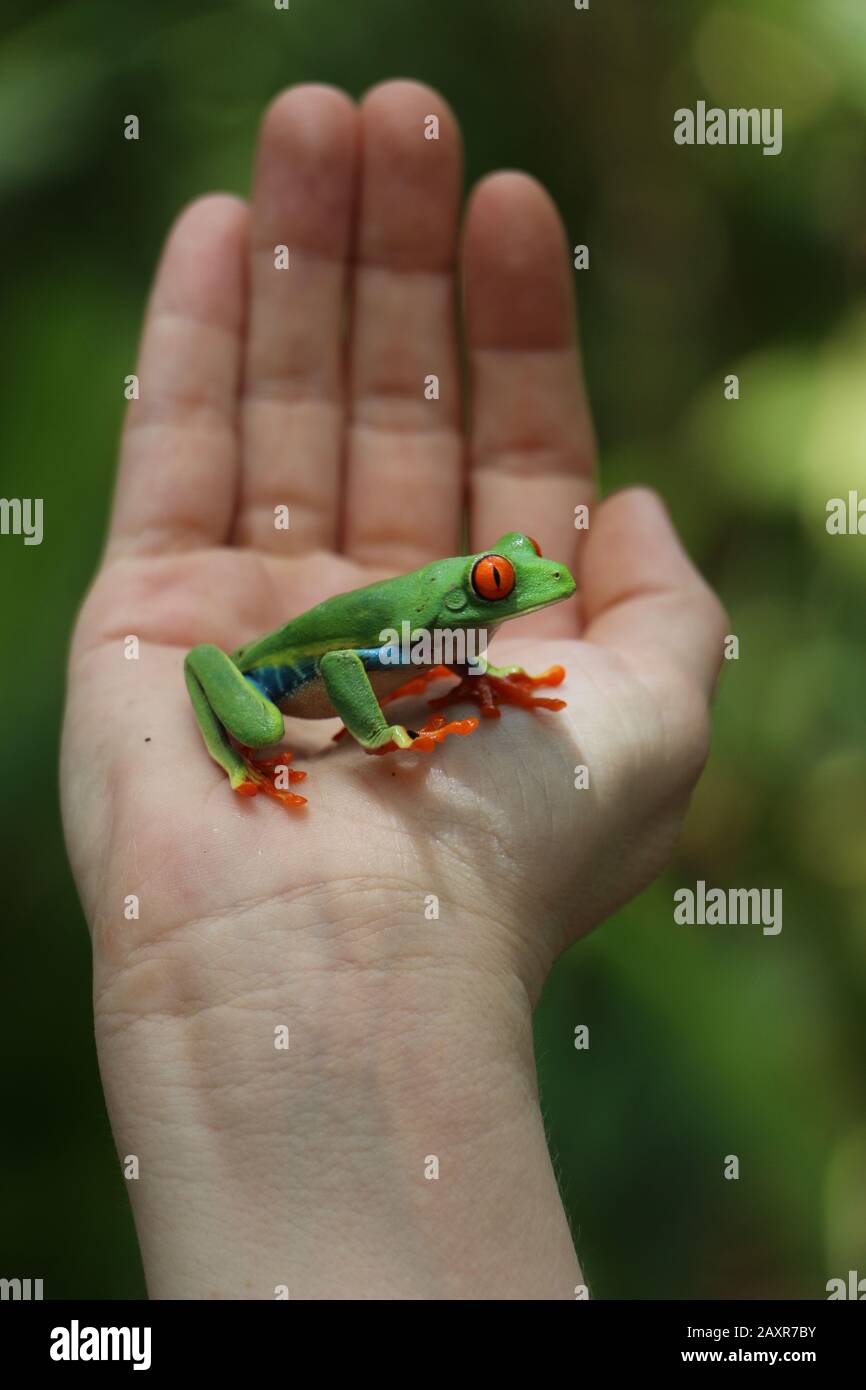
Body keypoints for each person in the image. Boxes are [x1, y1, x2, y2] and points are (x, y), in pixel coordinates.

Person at [60, 80, 726, 1299]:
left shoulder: (446, 624)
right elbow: (352, 692)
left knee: (443, 670)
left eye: (509, 574)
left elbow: (428, 658)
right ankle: (235, 755)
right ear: (453, 584)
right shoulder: (407, 627)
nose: (514, 584)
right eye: (492, 576)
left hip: (367, 654)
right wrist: (377, 742)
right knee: (274, 717)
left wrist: (489, 684)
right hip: (273, 674)